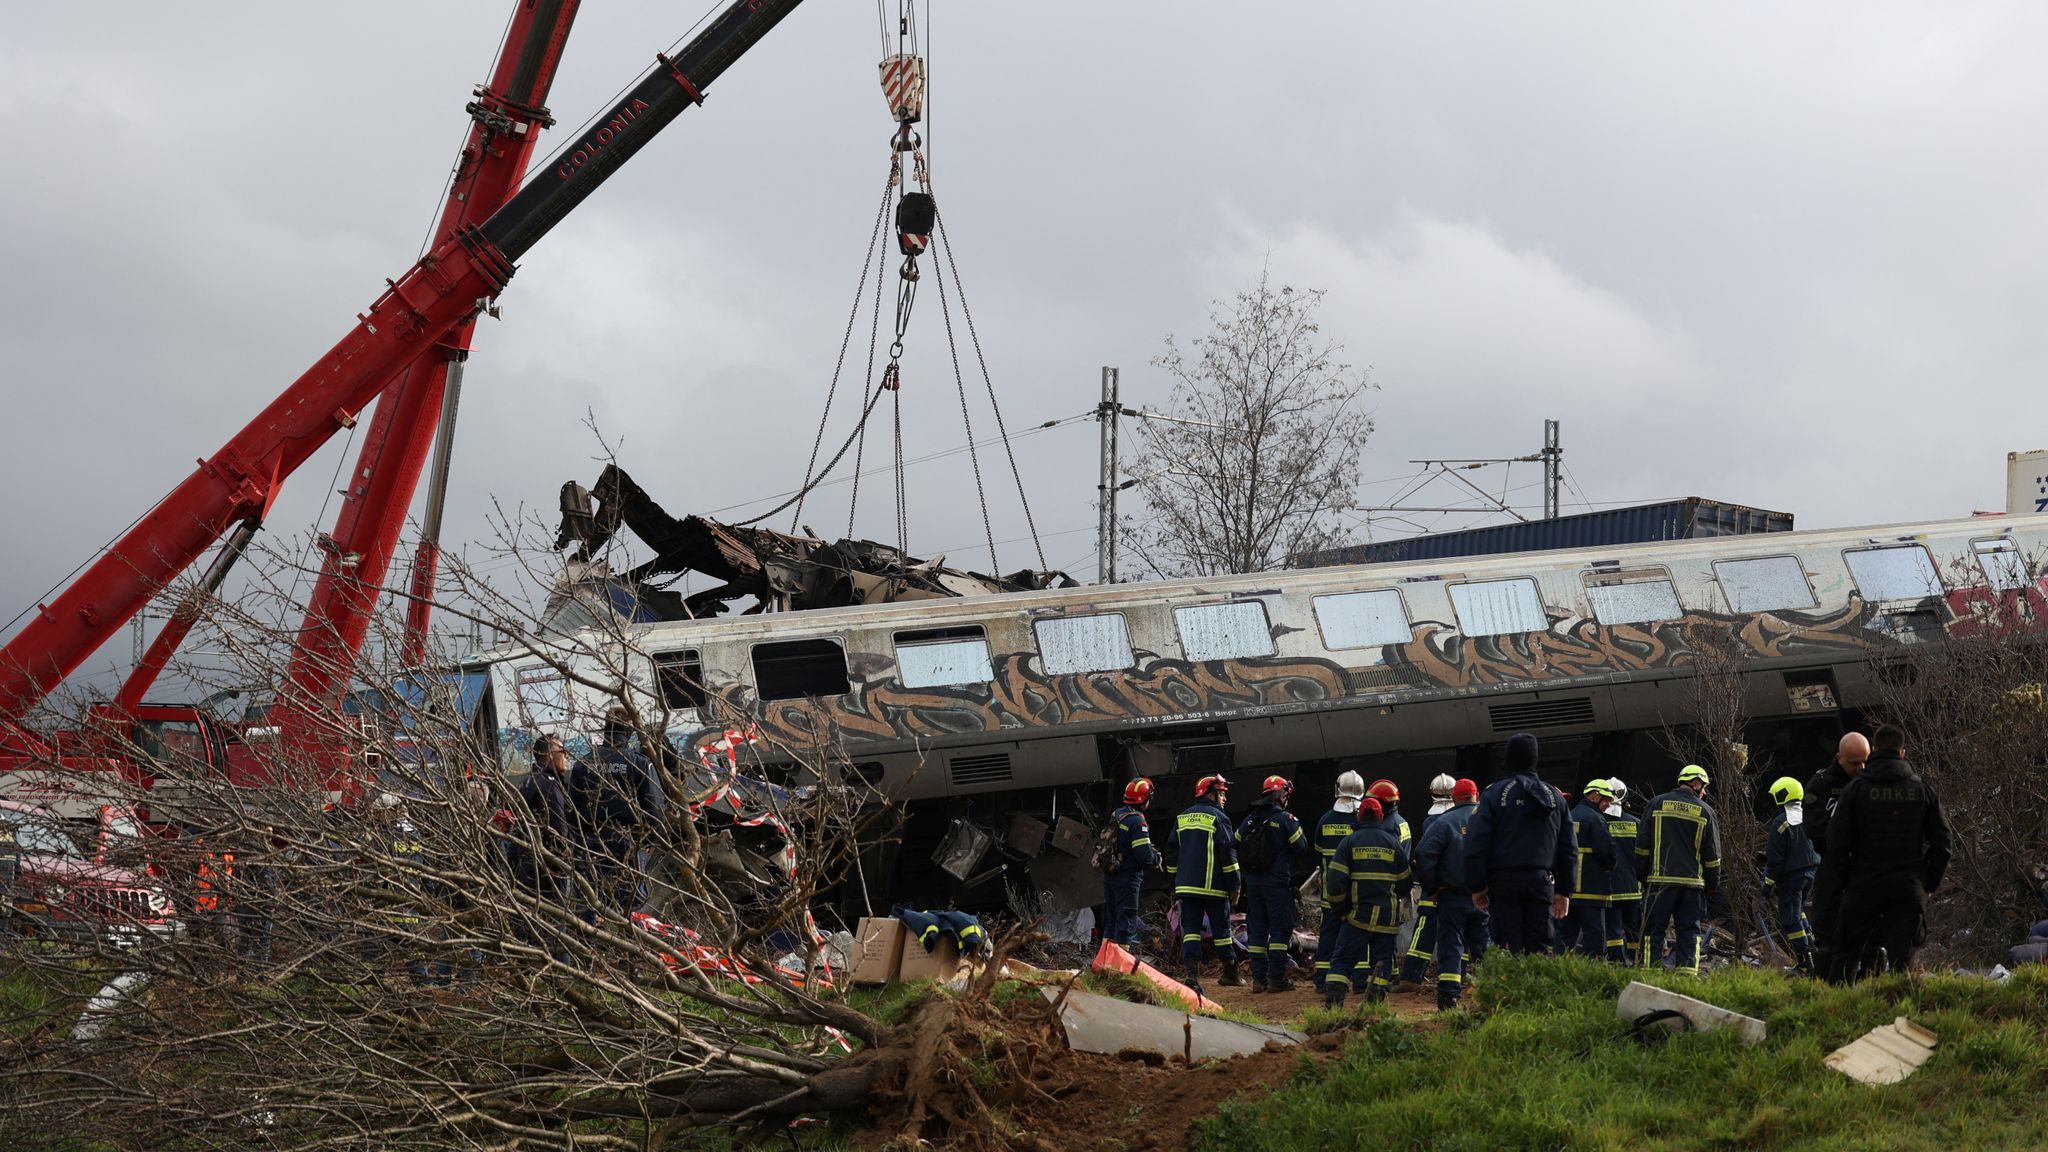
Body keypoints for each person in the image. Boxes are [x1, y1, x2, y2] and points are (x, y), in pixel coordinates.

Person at [1817, 725, 1952, 982]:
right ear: (1902, 753)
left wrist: (1848, 879)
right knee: (1903, 967)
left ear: (1874, 750)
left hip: (1863, 885)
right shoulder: (1921, 790)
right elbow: (1943, 844)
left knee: (1845, 959)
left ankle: (1836, 1014)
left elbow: (1835, 843)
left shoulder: (1855, 791)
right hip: (1907, 888)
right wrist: (1928, 883)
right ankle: (1900, 1017)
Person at [1464, 733, 1576, 955]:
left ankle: (1508, 988)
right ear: (1535, 758)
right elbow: (1569, 848)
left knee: (1507, 946)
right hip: (1542, 882)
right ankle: (1534, 988)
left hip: (1503, 882)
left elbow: (1476, 843)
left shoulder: (1493, 794)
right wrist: (1564, 891)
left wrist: (1477, 887)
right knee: (1539, 948)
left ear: (1508, 758)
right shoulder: (1555, 797)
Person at [571, 709, 669, 919]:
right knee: (632, 903)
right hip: (629, 841)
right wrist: (648, 839)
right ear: (630, 731)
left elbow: (572, 810)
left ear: (606, 727)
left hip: (591, 840)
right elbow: (655, 808)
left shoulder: (583, 764)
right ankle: (631, 947)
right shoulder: (640, 763)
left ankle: (589, 947)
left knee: (590, 900)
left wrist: (579, 840)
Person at [1324, 796, 1409, 1007]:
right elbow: (1405, 883)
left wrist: (1340, 910)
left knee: (1342, 962)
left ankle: (1333, 1008)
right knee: (1381, 965)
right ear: (1381, 817)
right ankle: (1374, 1009)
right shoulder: (1392, 844)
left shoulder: (1349, 843)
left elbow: (1334, 882)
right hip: (1386, 918)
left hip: (1356, 917)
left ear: (1360, 816)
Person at [1637, 765, 1722, 976]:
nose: (1704, 793)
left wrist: (1641, 875)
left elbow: (1642, 845)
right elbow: (1712, 856)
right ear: (1696, 783)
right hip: (1692, 886)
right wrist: (1713, 884)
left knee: (1653, 930)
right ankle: (1687, 978)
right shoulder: (1705, 811)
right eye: (1704, 788)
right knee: (1690, 932)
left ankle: (1650, 975)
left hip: (1659, 881)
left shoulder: (1656, 804)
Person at [1414, 778, 1488, 1011]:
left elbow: (1423, 855)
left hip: (1452, 896)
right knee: (1485, 945)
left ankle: (1448, 998)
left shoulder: (1444, 822)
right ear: (1476, 796)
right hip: (1484, 897)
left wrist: (1433, 888)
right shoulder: (1490, 821)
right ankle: (1496, 991)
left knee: (1451, 945)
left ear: (1454, 798)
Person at [1238, 775, 1311, 992]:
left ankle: (1259, 981)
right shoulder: (1286, 819)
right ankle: (1276, 979)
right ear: (1282, 795)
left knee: (1257, 932)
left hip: (1253, 885)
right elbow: (1302, 846)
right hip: (1276, 884)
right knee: (1280, 932)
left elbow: (1236, 841)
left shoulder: (1250, 820)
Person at [1168, 774, 1240, 993]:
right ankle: (1230, 972)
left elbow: (1171, 853)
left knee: (1190, 930)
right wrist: (1235, 885)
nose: (1225, 798)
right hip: (1214, 887)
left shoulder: (1182, 818)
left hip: (1187, 888)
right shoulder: (1219, 818)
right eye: (1222, 793)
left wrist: (1174, 884)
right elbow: (1227, 854)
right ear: (1211, 794)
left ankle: (1192, 977)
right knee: (1222, 930)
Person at [1804, 731, 1868, 973]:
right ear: (1840, 758)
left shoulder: (1871, 782)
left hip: (1864, 868)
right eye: (1854, 763)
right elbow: (1814, 826)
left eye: (1865, 761)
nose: (1861, 767)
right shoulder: (1821, 784)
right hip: (1832, 867)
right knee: (1827, 937)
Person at [1392, 774, 1457, 990]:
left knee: (1423, 932)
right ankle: (1461, 977)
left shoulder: (1431, 821)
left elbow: (1424, 855)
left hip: (1434, 888)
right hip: (1457, 888)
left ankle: (1411, 976)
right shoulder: (1465, 818)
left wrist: (1430, 886)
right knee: (1460, 933)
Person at [1310, 772, 1367, 990]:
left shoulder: (1325, 820)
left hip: (1330, 893)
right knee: (1359, 934)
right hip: (1356, 892)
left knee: (1328, 934)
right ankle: (1360, 979)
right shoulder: (1361, 820)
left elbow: (1317, 853)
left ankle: (1322, 977)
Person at [1763, 776, 1821, 973]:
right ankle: (1813, 950)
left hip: (1792, 877)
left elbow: (1775, 858)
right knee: (1799, 912)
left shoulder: (1781, 822)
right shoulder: (1807, 815)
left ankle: (1805, 963)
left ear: (1782, 796)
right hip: (1810, 873)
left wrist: (1768, 883)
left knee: (1790, 919)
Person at [1102, 778, 1159, 950]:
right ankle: (1120, 970)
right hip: (1127, 879)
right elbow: (1144, 856)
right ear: (1146, 798)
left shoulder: (1117, 813)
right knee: (1126, 923)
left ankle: (1104, 965)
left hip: (1110, 875)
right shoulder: (1137, 821)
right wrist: (1156, 858)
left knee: (1111, 922)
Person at [1563, 782, 1619, 957]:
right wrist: (1611, 865)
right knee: (1594, 936)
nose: (1608, 804)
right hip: (1592, 891)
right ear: (1594, 795)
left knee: (1565, 934)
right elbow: (1607, 853)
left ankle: (1557, 966)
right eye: (1607, 800)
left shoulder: (1570, 816)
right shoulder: (1596, 819)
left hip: (1569, 890)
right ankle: (1590, 972)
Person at [1601, 779, 1643, 962]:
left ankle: (1616, 963)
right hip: (1633, 888)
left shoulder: (1598, 822)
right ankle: (1635, 960)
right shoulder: (1636, 824)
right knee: (1634, 929)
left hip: (1610, 889)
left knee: (1613, 929)